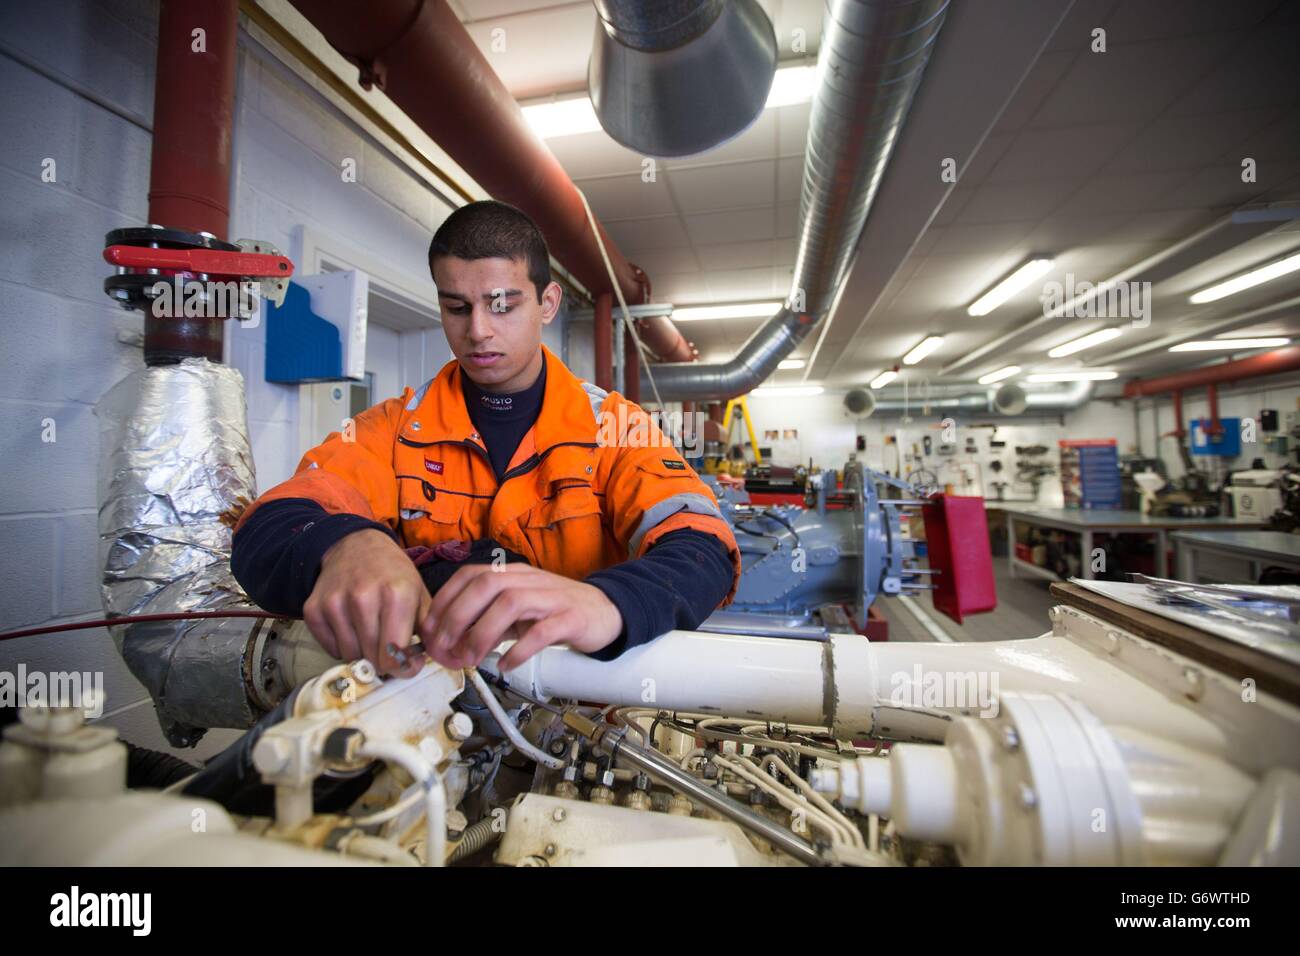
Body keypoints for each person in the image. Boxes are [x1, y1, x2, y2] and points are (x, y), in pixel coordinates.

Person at [231, 200, 740, 677]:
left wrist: (609, 601)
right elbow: (275, 521)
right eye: (457, 308)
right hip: (427, 712)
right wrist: (343, 542)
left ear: (547, 303)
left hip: (584, 719)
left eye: (502, 305)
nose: (478, 330)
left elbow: (703, 546)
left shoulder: (616, 428)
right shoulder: (389, 429)